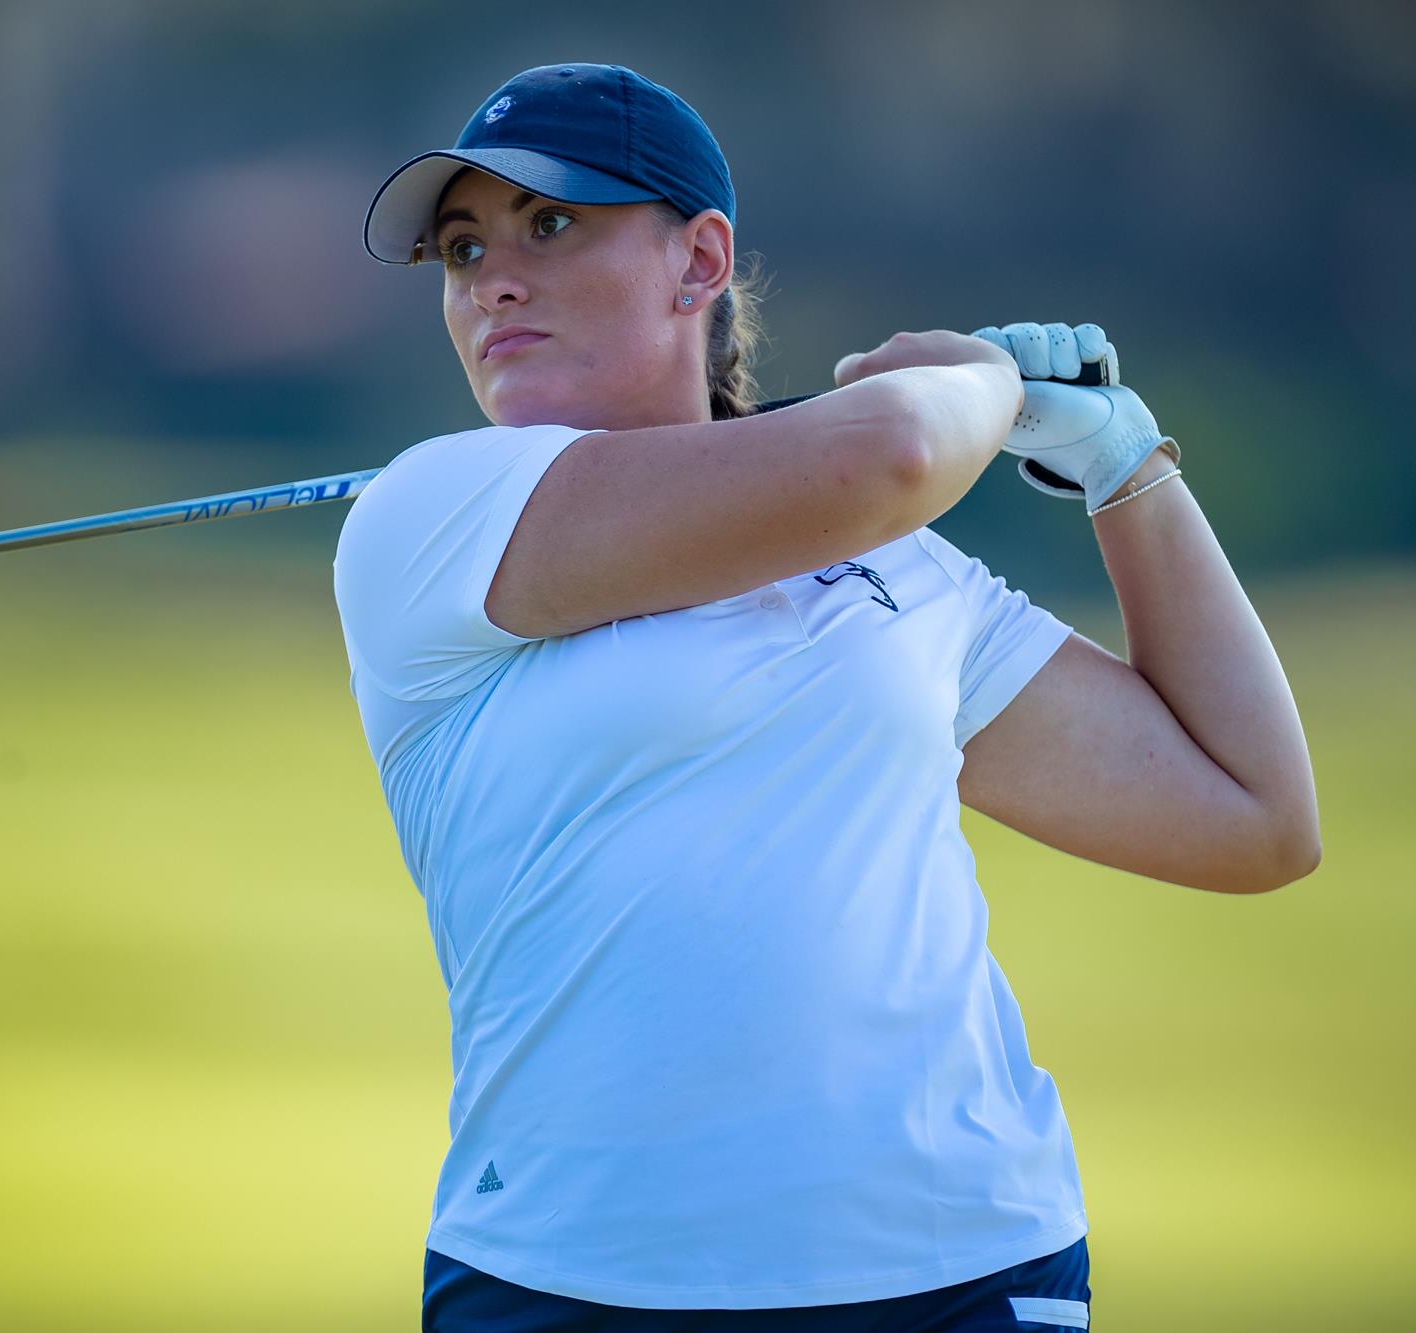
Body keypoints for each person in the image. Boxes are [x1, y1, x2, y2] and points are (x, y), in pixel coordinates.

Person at [335, 63, 1319, 1332]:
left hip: (964, 1268)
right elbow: (897, 448)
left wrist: (1123, 460)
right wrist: (990, 382)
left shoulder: (900, 571)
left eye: (552, 224)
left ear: (698, 264)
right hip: (567, 1280)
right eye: (463, 249)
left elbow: (1252, 818)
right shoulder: (435, 511)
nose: (494, 279)